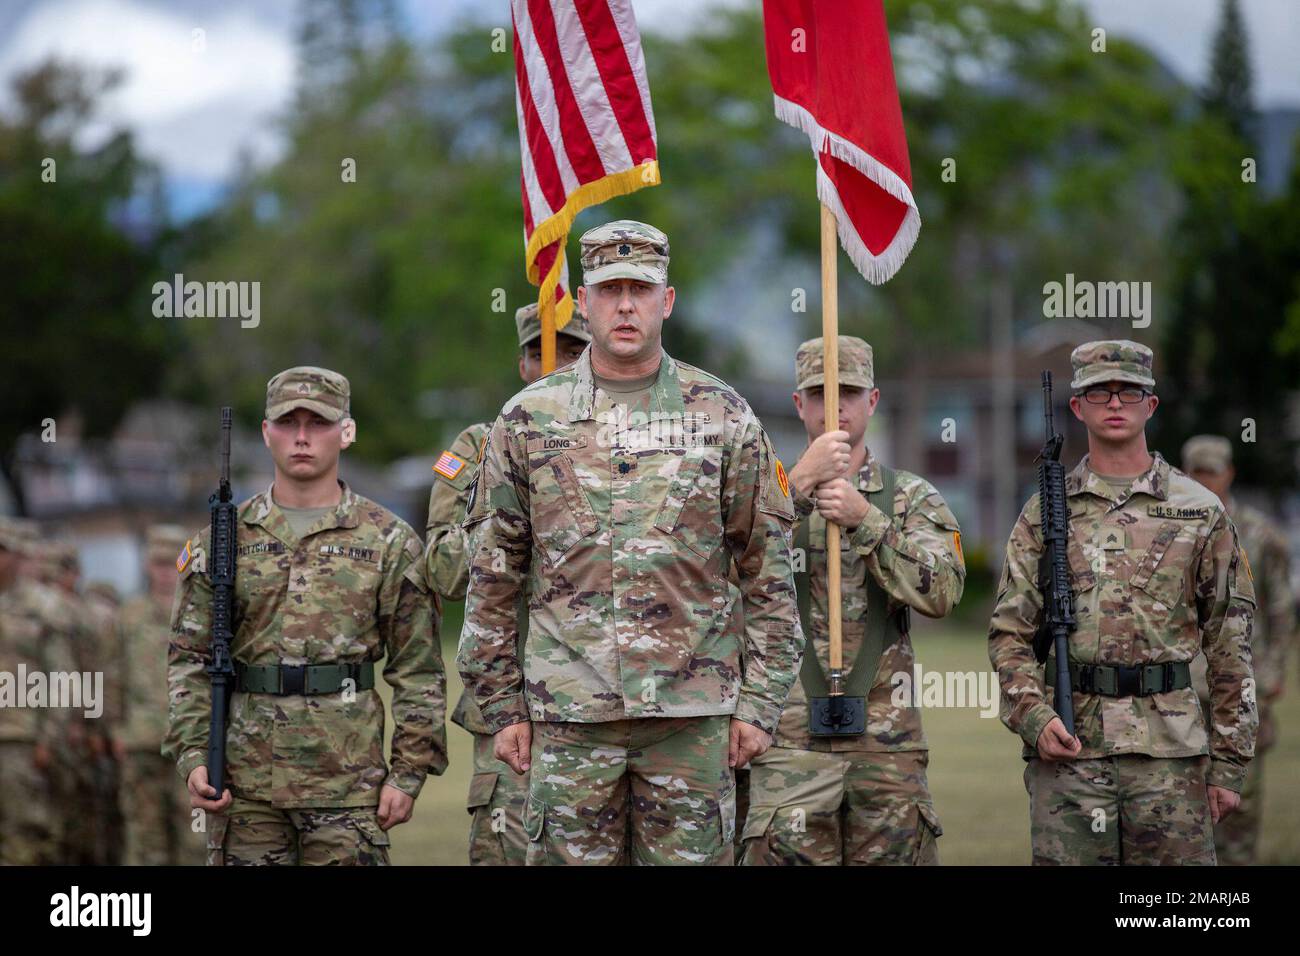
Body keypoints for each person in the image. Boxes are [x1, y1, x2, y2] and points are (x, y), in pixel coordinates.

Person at [457, 220, 803, 865]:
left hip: (691, 721)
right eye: (608, 289)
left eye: (639, 290)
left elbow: (769, 574)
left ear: (666, 301)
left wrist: (759, 704)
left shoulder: (722, 415)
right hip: (568, 717)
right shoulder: (529, 419)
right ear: (581, 303)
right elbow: (494, 578)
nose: (624, 305)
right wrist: (502, 705)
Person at [164, 366, 447, 865]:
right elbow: (189, 657)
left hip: (348, 782)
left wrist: (408, 772)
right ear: (265, 433)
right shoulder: (224, 541)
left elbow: (418, 668)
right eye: (287, 422)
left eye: (317, 423)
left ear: (346, 431)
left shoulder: (389, 541)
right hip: (246, 784)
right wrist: (193, 756)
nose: (301, 437)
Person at [988, 340, 1257, 865]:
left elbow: (1231, 640)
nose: (1115, 402)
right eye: (1099, 391)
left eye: (1129, 391)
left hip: (1171, 758)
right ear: (1077, 406)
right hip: (1070, 751)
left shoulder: (1199, 511)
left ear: (1150, 405)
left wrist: (1228, 764)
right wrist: (1033, 716)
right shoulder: (1045, 512)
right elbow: (1009, 633)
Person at [741, 335, 965, 865]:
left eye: (849, 390)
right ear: (799, 404)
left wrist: (867, 520)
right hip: (787, 741)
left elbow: (943, 593)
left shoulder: (910, 497)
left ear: (874, 401)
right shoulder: (760, 496)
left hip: (886, 745)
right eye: (819, 392)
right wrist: (794, 489)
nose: (834, 404)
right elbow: (716, 573)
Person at [426, 302, 589, 865]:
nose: (553, 366)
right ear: (521, 365)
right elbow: (444, 572)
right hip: (509, 699)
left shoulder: (622, 446)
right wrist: (507, 522)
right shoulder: (475, 448)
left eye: (570, 352)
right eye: (539, 354)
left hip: (601, 695)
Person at [1181, 434, 1296, 865]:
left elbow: (1281, 613)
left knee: (1239, 803)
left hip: (1244, 688)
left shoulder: (1261, 535)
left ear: (1229, 472)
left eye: (1213, 470)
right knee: (1183, 808)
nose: (1205, 478)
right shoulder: (1175, 528)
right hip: (1186, 691)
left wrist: (1270, 677)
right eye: (1197, 471)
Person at [117, 524, 207, 864]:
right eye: (158, 564)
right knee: (144, 834)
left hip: (191, 742)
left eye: (173, 564)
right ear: (146, 566)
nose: (166, 573)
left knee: (194, 836)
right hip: (142, 738)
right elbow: (111, 675)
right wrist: (114, 730)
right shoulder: (129, 615)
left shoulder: (203, 614)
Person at [0, 518, 73, 865]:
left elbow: (61, 678)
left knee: (23, 837)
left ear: (16, 555)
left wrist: (49, 738)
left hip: (21, 740)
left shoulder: (43, 607)